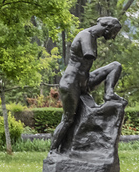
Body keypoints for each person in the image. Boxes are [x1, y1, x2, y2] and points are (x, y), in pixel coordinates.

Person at [50, 17, 125, 152]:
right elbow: (88, 54)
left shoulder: (92, 37)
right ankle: (53, 151)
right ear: (107, 28)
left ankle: (109, 93)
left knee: (115, 66)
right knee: (68, 119)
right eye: (114, 33)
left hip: (84, 81)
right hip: (71, 83)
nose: (113, 37)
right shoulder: (86, 36)